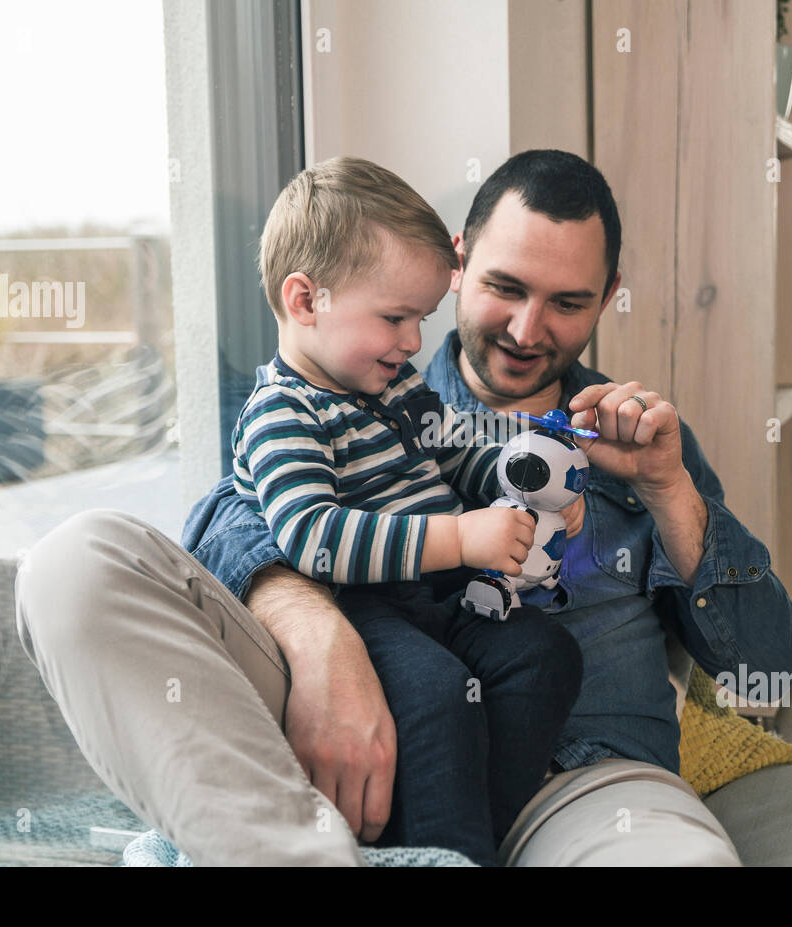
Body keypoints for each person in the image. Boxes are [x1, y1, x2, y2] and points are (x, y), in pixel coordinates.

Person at [14, 149, 792, 866]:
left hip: (582, 785)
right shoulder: (364, 387)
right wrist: (318, 635)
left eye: (567, 301)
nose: (528, 330)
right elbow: (239, 514)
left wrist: (669, 491)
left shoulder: (641, 447)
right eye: (505, 287)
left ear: (610, 298)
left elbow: (767, 673)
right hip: (347, 749)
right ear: (458, 263)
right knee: (74, 565)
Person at [229, 157, 585, 865]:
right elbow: (313, 537)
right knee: (439, 696)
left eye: (421, 319)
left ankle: (478, 835)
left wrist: (525, 481)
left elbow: (459, 453)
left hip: (438, 599)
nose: (414, 341)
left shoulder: (397, 387)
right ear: (306, 302)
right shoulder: (282, 414)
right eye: (394, 318)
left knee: (544, 655)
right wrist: (460, 537)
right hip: (364, 608)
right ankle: (439, 852)